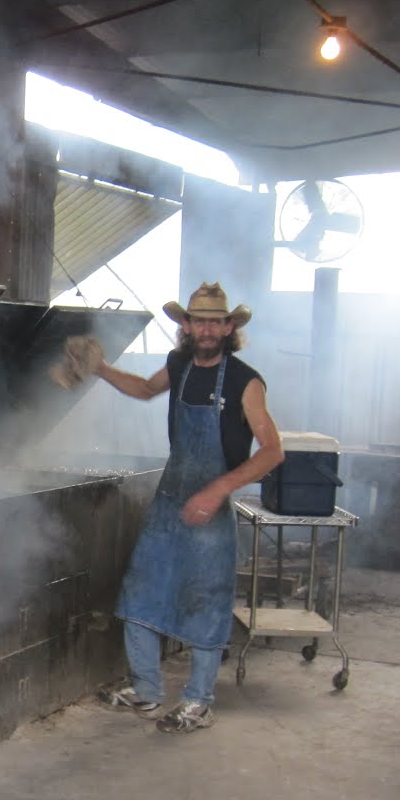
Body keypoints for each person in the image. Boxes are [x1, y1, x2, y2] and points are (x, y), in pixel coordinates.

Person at [93, 283, 283, 733]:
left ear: (229, 327)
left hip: (211, 509)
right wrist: (99, 368)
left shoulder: (245, 381)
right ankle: (146, 690)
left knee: (206, 601)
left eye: (216, 321)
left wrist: (218, 490)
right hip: (169, 500)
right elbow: (142, 389)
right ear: (186, 326)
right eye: (199, 320)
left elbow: (273, 452)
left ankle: (198, 701)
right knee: (140, 591)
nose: (207, 328)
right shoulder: (178, 365)